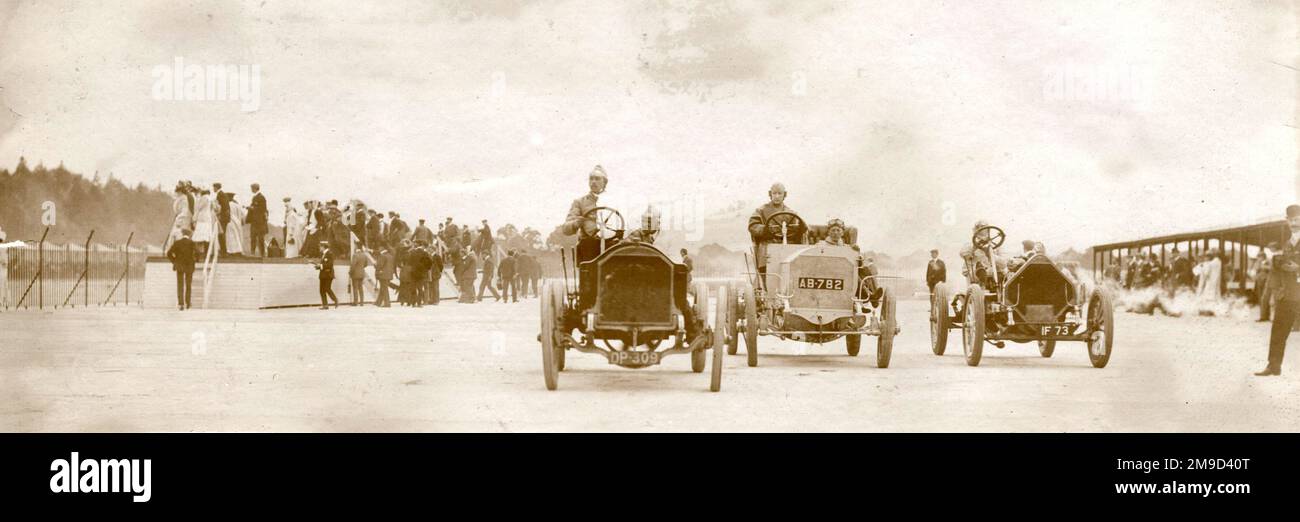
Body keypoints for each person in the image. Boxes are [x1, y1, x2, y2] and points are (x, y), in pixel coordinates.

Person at [1256, 204, 1300, 376]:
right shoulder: (1288, 242)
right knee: (1278, 329)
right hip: (1288, 293)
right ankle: (1273, 365)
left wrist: (1298, 268)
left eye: (1297, 219)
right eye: (1291, 220)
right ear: (1287, 221)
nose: (1295, 223)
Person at [747, 182, 800, 289]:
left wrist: (795, 229)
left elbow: (798, 227)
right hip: (767, 245)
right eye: (774, 193)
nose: (776, 196)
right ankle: (766, 289)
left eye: (779, 193)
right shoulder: (760, 211)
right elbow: (753, 226)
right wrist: (766, 229)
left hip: (786, 246)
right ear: (770, 194)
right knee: (766, 262)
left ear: (784, 195)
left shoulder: (791, 213)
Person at [562, 165, 611, 263]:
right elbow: (566, 229)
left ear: (604, 182)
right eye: (591, 179)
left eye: (597, 179)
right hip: (589, 244)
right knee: (588, 245)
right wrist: (576, 223)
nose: (593, 182)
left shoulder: (613, 200)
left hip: (611, 242)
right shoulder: (580, 202)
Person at [166, 229, 197, 310]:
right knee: (188, 285)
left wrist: (174, 261)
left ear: (182, 234)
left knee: (180, 285)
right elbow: (198, 253)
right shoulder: (192, 243)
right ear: (189, 235)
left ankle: (181, 304)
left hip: (179, 266)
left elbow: (169, 253)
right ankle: (188, 303)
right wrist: (195, 260)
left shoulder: (177, 243)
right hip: (189, 266)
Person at [1253, 243, 1276, 322]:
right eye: (1258, 257)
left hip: (1267, 282)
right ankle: (1263, 316)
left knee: (1266, 298)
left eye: (1260, 256)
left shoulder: (1268, 261)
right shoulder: (1257, 263)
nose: (1259, 258)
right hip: (1259, 282)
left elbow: (1272, 269)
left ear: (1263, 257)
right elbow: (1255, 270)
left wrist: (1264, 267)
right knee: (1261, 299)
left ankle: (1267, 316)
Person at [314, 241, 339, 310]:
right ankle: (325, 305)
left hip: (328, 274)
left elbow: (330, 265)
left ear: (323, 247)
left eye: (320, 246)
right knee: (322, 290)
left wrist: (321, 265)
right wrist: (318, 266)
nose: (319, 248)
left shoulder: (329, 254)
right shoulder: (324, 254)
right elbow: (325, 265)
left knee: (327, 288)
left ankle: (335, 300)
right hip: (323, 275)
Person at [248, 183, 269, 257]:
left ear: (255, 188)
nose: (251, 190)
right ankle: (253, 253)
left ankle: (262, 253)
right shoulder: (255, 198)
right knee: (253, 237)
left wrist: (253, 208)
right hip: (255, 222)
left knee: (260, 238)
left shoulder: (261, 198)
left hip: (260, 222)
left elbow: (263, 209)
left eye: (252, 188)